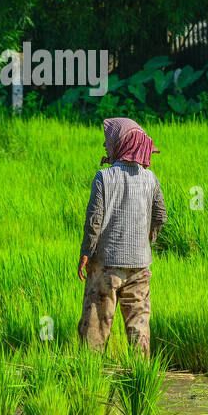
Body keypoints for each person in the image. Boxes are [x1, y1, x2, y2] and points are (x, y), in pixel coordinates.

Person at [77, 117, 167, 355]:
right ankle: (141, 378)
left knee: (96, 326)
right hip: (140, 266)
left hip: (106, 265)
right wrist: (147, 240)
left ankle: (90, 377)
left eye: (108, 142)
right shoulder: (150, 179)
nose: (105, 146)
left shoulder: (104, 177)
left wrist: (86, 254)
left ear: (121, 144)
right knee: (139, 326)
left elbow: (94, 221)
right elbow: (160, 215)